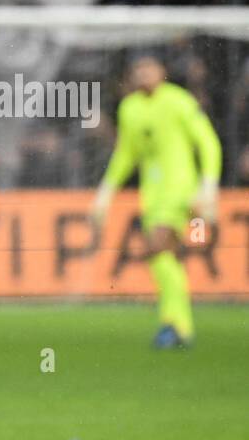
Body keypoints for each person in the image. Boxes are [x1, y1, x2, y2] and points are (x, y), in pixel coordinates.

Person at [93, 57, 222, 349]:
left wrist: (208, 187)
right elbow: (126, 155)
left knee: (156, 247)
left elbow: (208, 141)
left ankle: (171, 323)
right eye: (138, 69)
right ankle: (180, 327)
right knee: (164, 259)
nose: (143, 73)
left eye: (149, 68)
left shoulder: (179, 101)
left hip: (182, 192)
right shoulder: (130, 109)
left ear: (162, 74)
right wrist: (104, 194)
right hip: (151, 195)